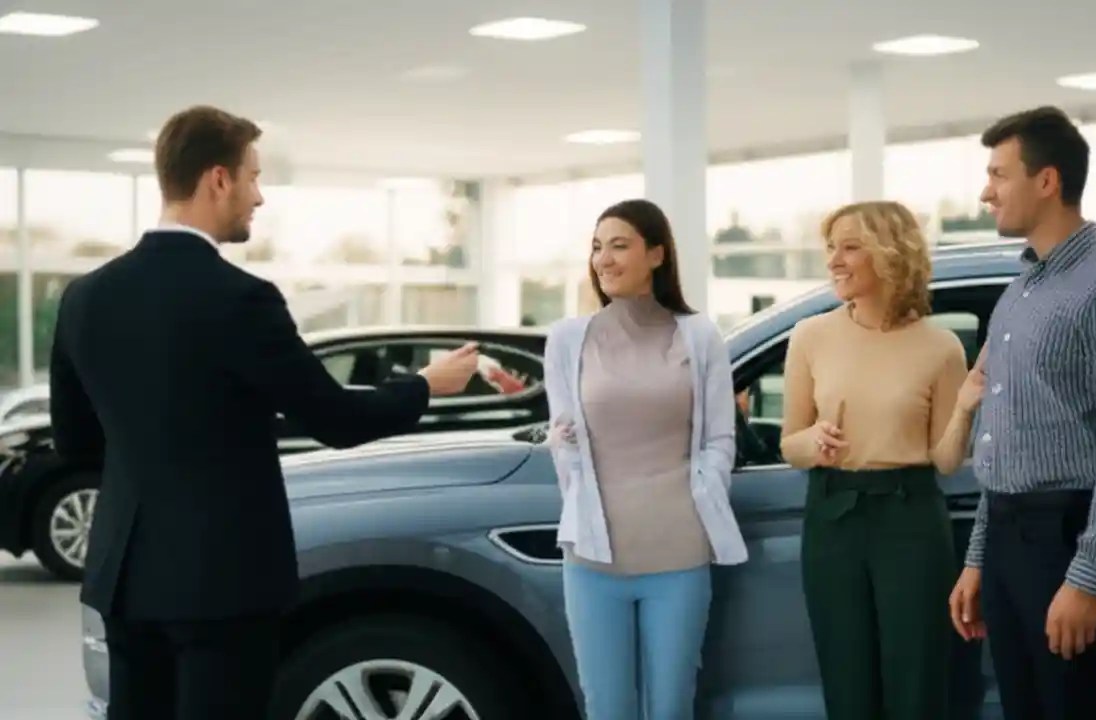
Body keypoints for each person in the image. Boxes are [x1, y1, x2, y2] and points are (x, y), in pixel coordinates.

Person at [49, 105, 480, 720]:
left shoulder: (85, 296)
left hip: (126, 576)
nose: (260, 196)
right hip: (222, 580)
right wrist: (425, 384)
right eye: (253, 177)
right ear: (217, 179)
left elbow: (75, 441)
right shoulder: (240, 298)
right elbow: (333, 417)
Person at [948, 106, 1096, 720]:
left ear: (1047, 181)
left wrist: (1088, 579)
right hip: (1009, 537)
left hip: (1064, 538)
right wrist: (977, 560)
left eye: (998, 174)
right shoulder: (1021, 291)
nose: (985, 192)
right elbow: (1005, 440)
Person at [543, 198, 748, 720]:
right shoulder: (568, 339)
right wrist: (561, 447)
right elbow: (565, 441)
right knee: (607, 708)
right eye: (596, 247)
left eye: (619, 245)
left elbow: (721, 439)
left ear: (656, 254)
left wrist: (702, 490)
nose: (603, 259)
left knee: (672, 707)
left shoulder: (699, 336)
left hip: (678, 556)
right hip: (593, 560)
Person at [779, 200, 984, 720]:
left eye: (850, 247)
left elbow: (944, 460)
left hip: (910, 518)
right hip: (832, 515)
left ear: (890, 255)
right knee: (846, 683)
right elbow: (790, 443)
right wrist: (815, 441)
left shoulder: (940, 348)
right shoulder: (810, 336)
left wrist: (963, 408)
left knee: (916, 681)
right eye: (831, 248)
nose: (834, 261)